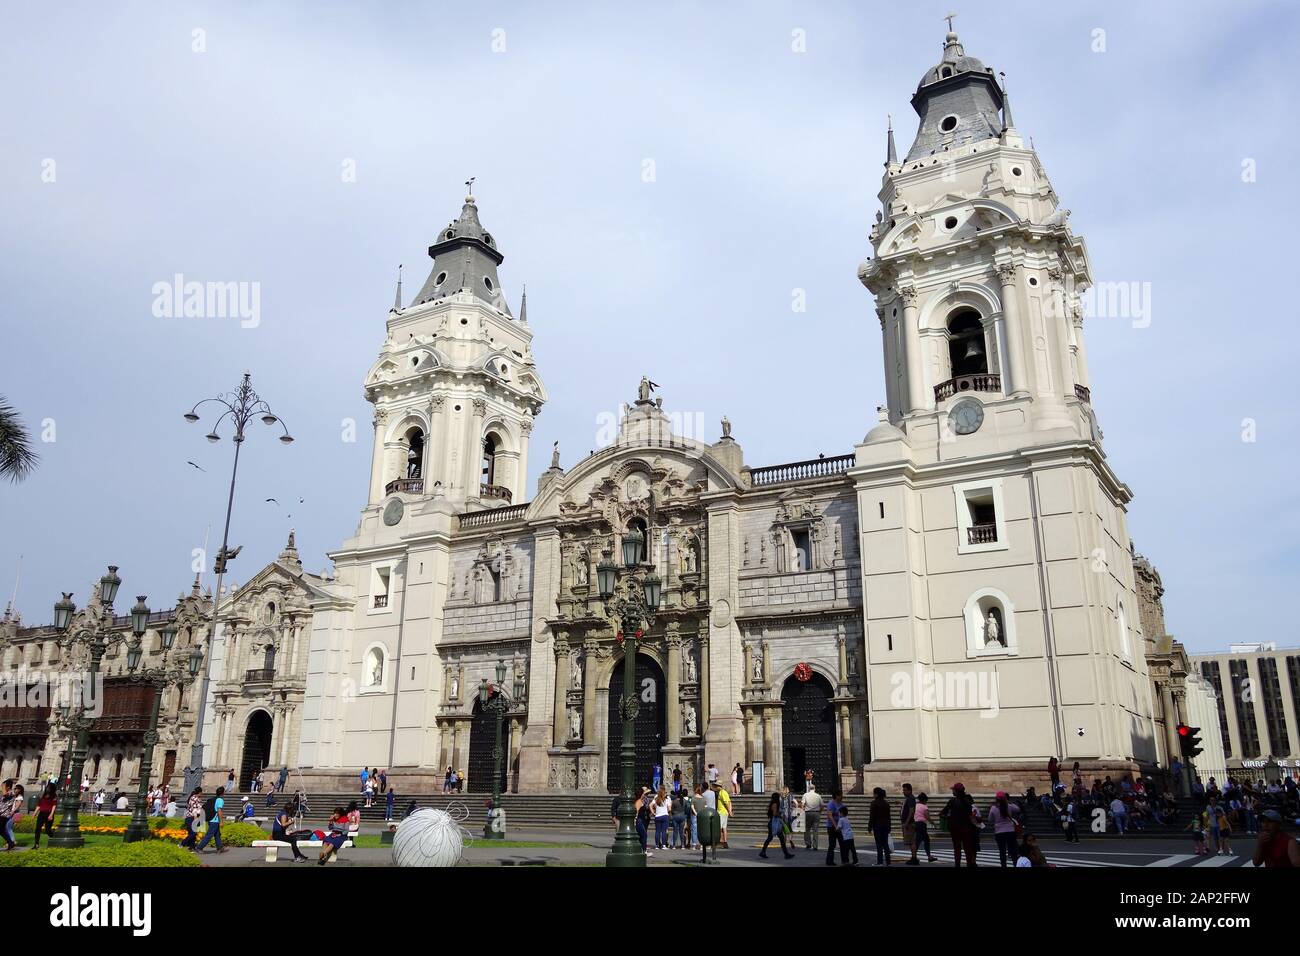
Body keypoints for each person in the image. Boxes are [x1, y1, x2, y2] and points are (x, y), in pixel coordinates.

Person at [941, 783, 977, 867]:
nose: (952, 791)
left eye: (953, 790)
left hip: (955, 829)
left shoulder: (952, 801)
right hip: (966, 828)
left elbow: (943, 813)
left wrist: (948, 817)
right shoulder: (968, 801)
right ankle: (969, 864)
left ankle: (957, 865)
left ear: (956, 791)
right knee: (967, 848)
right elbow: (970, 813)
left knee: (957, 848)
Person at [989, 792, 1021, 867]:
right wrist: (1008, 802)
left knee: (1002, 851)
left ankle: (1003, 865)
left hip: (999, 832)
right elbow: (1018, 809)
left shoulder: (993, 808)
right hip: (1010, 830)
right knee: (1013, 850)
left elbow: (990, 819)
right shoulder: (1009, 806)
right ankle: (1015, 864)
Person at [760, 792, 794, 859]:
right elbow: (775, 814)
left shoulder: (773, 804)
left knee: (770, 838)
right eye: (778, 797)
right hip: (774, 823)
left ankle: (763, 852)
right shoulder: (775, 804)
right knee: (779, 838)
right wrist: (780, 813)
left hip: (773, 823)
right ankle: (786, 854)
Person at [195, 786, 227, 853]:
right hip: (214, 820)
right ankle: (199, 847)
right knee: (209, 835)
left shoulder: (213, 799)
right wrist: (221, 821)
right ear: (223, 793)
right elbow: (219, 811)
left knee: (217, 834)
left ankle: (220, 847)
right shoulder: (220, 800)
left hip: (210, 819)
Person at [869, 787, 892, 866]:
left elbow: (872, 816)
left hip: (877, 825)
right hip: (885, 825)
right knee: (885, 843)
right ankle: (888, 862)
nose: (873, 795)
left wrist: (870, 826)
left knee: (879, 844)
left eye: (874, 793)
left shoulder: (874, 803)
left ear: (876, 794)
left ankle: (880, 862)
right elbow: (889, 816)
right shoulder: (886, 803)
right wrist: (890, 826)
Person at [912, 792, 938, 863]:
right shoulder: (924, 807)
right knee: (918, 841)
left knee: (926, 840)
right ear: (924, 800)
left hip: (915, 823)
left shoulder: (915, 805)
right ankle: (914, 857)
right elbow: (927, 817)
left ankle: (929, 856)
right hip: (921, 825)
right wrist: (934, 824)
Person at [824, 790, 844, 866]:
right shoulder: (831, 804)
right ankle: (829, 861)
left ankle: (844, 860)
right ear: (836, 795)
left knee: (842, 844)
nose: (842, 796)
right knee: (832, 844)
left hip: (839, 827)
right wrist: (835, 826)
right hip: (831, 827)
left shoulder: (841, 804)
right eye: (841, 795)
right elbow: (830, 816)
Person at [900, 782, 917, 864]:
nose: (904, 792)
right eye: (903, 790)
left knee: (911, 842)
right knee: (910, 842)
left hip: (909, 823)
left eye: (905, 790)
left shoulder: (910, 798)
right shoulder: (909, 798)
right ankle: (913, 857)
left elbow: (911, 811)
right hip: (909, 823)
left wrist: (906, 822)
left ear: (910, 790)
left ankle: (914, 858)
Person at [803, 784, 823, 850]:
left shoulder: (805, 795)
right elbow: (822, 805)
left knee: (807, 829)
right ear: (814, 788)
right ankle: (815, 845)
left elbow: (803, 804)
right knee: (815, 830)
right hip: (816, 813)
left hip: (808, 813)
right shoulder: (818, 796)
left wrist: (803, 810)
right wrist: (819, 812)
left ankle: (808, 844)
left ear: (809, 788)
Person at [652, 786, 670, 850]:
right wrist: (666, 811)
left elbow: (650, 805)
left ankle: (657, 845)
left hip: (657, 816)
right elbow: (669, 808)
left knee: (657, 831)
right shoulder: (667, 798)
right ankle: (664, 845)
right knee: (664, 831)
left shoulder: (656, 798)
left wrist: (654, 812)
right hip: (665, 815)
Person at [714, 782, 732, 848]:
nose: (715, 788)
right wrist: (730, 811)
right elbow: (729, 801)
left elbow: (727, 802)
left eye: (716, 786)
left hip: (722, 812)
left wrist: (730, 811)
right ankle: (724, 842)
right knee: (724, 828)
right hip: (724, 812)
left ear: (719, 786)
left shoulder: (722, 793)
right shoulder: (722, 792)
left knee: (720, 828)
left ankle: (721, 841)